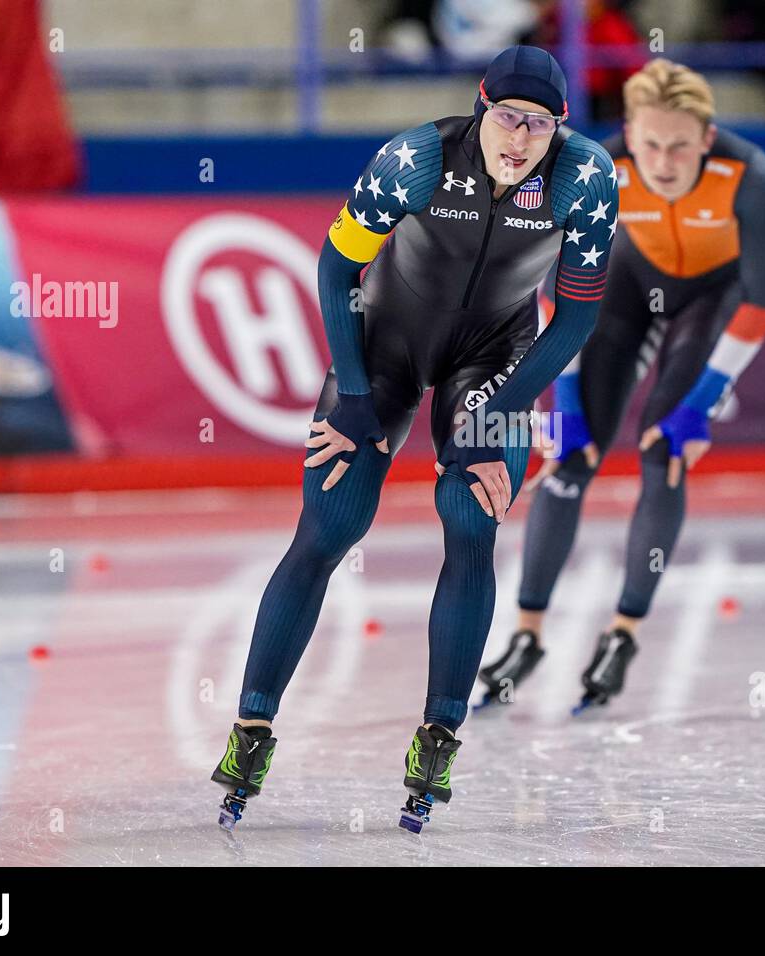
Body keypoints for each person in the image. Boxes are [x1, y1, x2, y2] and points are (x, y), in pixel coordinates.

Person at [209, 45, 618, 831]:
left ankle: (439, 734)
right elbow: (335, 270)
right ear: (480, 105)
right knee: (328, 525)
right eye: (506, 117)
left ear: (558, 128)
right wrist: (355, 394)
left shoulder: (586, 177)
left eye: (538, 125)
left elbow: (578, 317)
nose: (520, 138)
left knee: (472, 520)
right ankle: (252, 727)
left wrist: (497, 419)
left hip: (496, 360)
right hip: (386, 347)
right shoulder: (417, 157)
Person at [478, 58, 765, 711]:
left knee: (663, 453)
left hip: (714, 300)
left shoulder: (748, 176)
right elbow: (561, 295)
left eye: (679, 146)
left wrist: (699, 408)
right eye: (649, 145)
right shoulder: (594, 170)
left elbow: (760, 305)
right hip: (624, 288)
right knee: (568, 458)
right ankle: (527, 636)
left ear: (706, 139)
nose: (664, 163)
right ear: (627, 135)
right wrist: (563, 402)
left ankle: (623, 633)